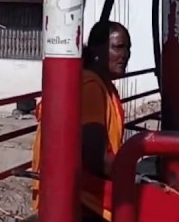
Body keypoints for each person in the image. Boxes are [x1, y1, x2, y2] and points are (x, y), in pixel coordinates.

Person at [30, 20, 132, 221]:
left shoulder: (101, 84)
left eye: (128, 48)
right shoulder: (91, 87)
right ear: (96, 50)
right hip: (83, 198)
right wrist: (134, 178)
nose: (125, 55)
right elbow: (96, 158)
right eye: (118, 47)